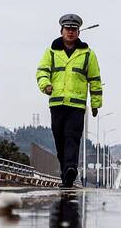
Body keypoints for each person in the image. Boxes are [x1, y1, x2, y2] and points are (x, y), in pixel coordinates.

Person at [37, 14, 103, 188]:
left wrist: (96, 103)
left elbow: (95, 80)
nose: (71, 32)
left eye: (74, 30)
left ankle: (70, 170)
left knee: (71, 138)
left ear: (79, 32)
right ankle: (66, 171)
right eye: (68, 29)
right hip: (57, 104)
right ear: (62, 31)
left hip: (76, 106)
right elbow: (42, 72)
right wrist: (46, 85)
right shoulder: (51, 52)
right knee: (60, 140)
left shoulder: (88, 54)